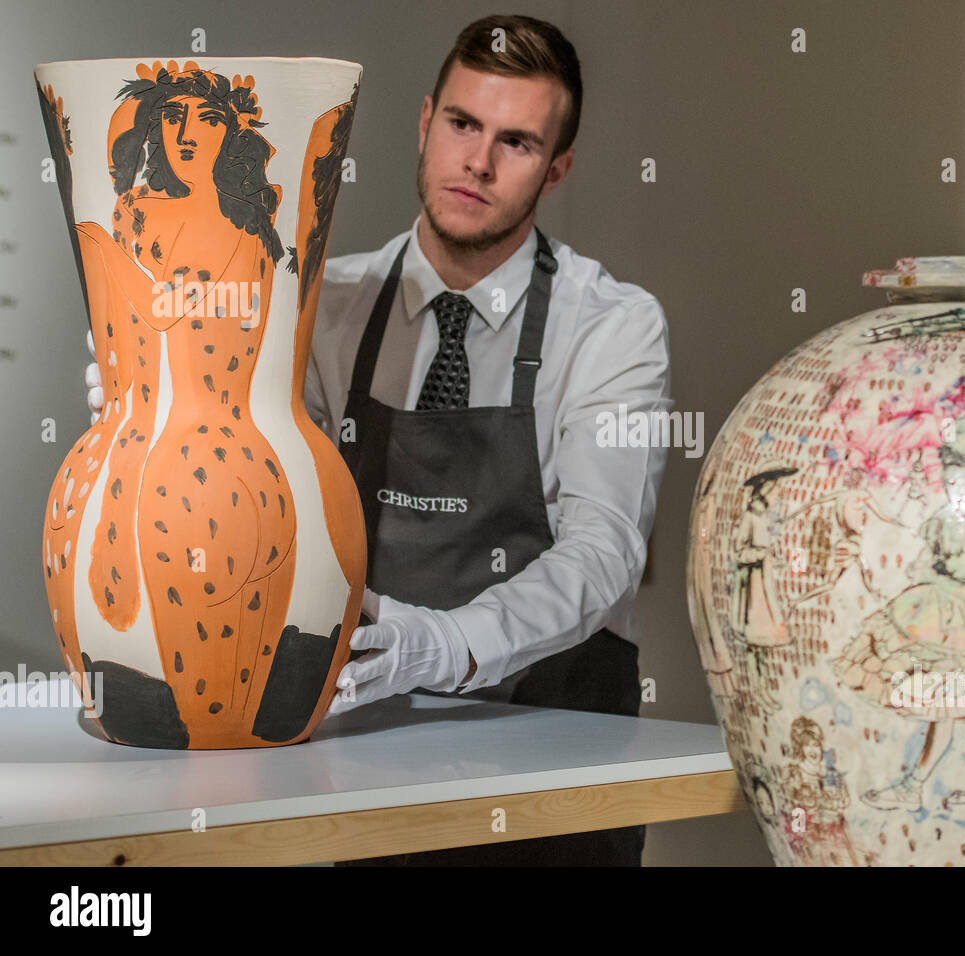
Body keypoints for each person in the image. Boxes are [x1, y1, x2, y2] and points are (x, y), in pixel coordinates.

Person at [86, 15, 671, 865]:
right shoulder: (326, 305)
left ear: (558, 167)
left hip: (557, 767)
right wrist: (161, 398)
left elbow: (606, 548)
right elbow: (267, 504)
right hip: (366, 767)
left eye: (516, 141)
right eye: (464, 125)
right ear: (426, 121)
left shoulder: (613, 326)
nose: (478, 161)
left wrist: (448, 643)